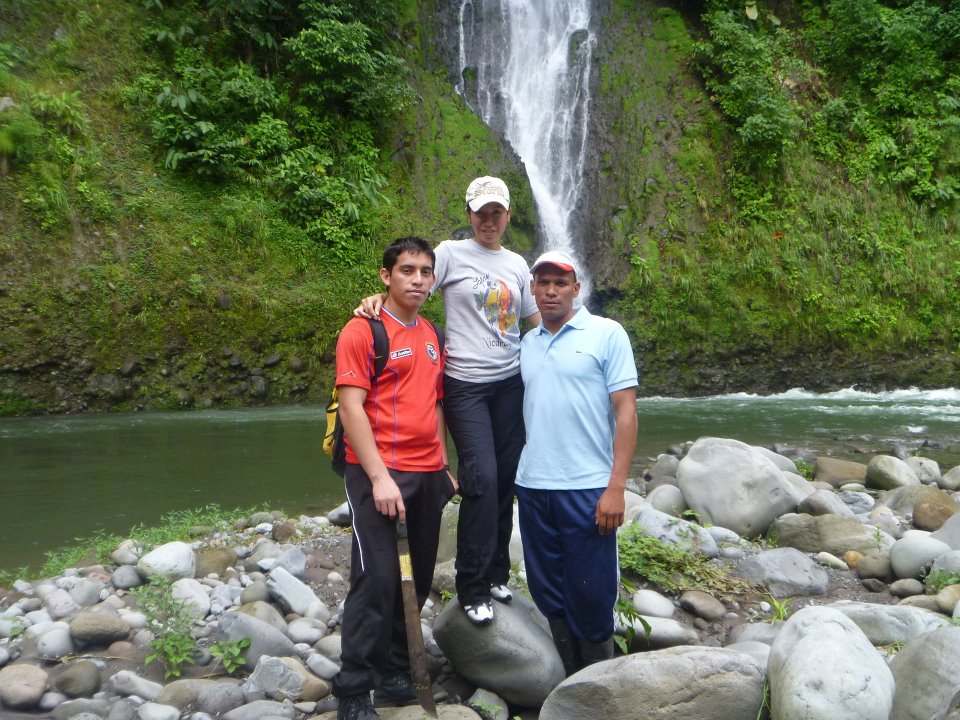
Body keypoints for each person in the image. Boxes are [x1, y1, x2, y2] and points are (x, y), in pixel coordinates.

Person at [356, 176, 540, 625]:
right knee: (481, 478)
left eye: (496, 212)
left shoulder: (518, 264)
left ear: (508, 215)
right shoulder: (450, 254)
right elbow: (412, 290)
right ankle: (471, 585)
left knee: (507, 480)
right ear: (469, 215)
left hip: (510, 384)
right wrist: (379, 298)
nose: (488, 220)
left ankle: (496, 572)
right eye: (481, 212)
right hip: (465, 385)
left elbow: (537, 323)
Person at [332, 236, 458, 720]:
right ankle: (353, 688)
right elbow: (351, 406)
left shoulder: (433, 334)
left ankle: (394, 670)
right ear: (386, 276)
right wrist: (380, 478)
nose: (419, 280)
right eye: (408, 270)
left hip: (427, 472)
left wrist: (444, 466)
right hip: (376, 473)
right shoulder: (363, 331)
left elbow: (436, 403)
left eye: (426, 272)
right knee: (377, 578)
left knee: (417, 576)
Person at [514, 250, 638, 676]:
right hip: (532, 485)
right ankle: (568, 680)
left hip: (588, 487)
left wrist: (616, 487)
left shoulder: (607, 334)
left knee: (592, 591)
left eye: (560, 283)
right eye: (543, 282)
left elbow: (626, 412)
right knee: (547, 588)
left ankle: (597, 684)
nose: (551, 291)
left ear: (576, 289)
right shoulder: (527, 343)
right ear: (532, 289)